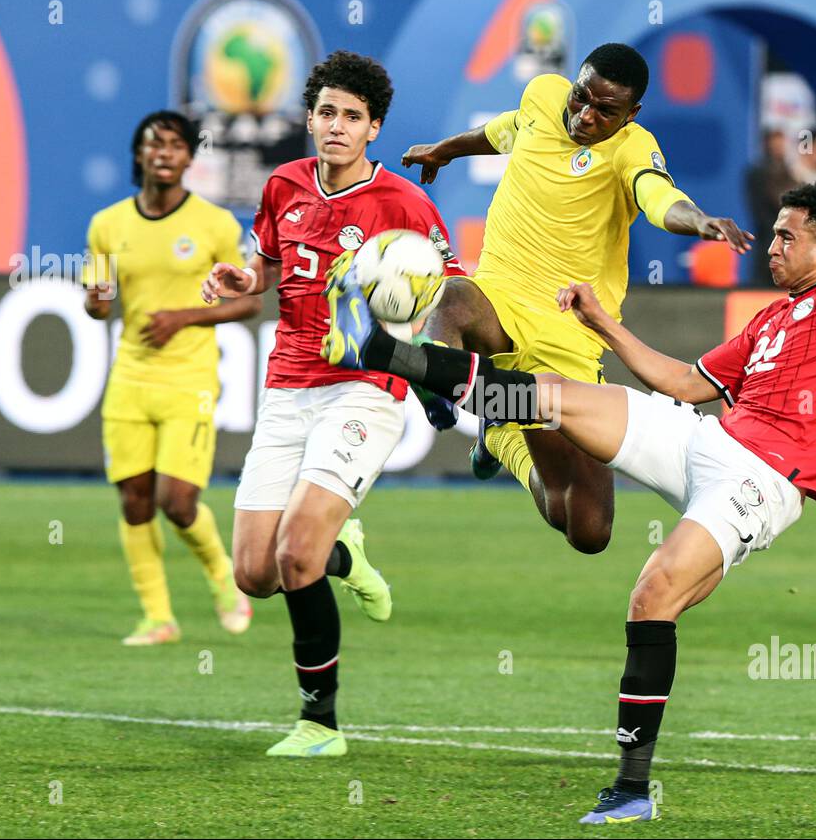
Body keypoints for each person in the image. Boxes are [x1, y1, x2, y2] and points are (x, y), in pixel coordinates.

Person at [322, 181, 816, 822]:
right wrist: (602, 324)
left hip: (762, 480)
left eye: (788, 236)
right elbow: (683, 382)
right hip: (704, 441)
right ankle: (381, 352)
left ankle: (631, 788)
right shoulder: (770, 319)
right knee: (550, 395)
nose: (775, 245)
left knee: (653, 593)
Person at [201, 51, 466, 756]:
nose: (337, 126)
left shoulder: (404, 206)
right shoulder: (284, 184)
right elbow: (261, 271)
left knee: (294, 553)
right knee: (254, 573)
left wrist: (434, 372)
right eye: (327, 112)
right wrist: (238, 277)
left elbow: (454, 291)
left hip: (364, 387)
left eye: (353, 116)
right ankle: (342, 553)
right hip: (288, 388)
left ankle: (319, 726)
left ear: (374, 127)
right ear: (310, 118)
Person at [400, 43, 752, 554]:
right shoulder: (544, 95)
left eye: (604, 111)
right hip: (500, 297)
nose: (584, 115)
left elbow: (658, 196)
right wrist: (444, 150)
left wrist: (698, 221)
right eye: (580, 97)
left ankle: (500, 431)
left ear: (630, 115)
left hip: (569, 332)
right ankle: (442, 392)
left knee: (585, 527)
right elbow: (501, 131)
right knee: (452, 301)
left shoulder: (633, 147)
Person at [83, 110, 258, 646]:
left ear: (188, 156)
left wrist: (184, 316)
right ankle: (158, 617)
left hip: (190, 378)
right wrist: (96, 301)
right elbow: (97, 305)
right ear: (139, 154)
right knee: (134, 499)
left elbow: (248, 300)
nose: (163, 153)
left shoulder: (215, 225)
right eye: (153, 144)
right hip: (130, 377)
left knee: (177, 502)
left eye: (175, 145)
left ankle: (224, 581)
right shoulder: (108, 225)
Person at [745, 128, 799, 285]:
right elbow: (770, 203)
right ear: (766, 144)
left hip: (789, 242)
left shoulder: (790, 172)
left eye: (781, 142)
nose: (779, 146)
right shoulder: (757, 174)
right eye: (775, 142)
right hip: (766, 238)